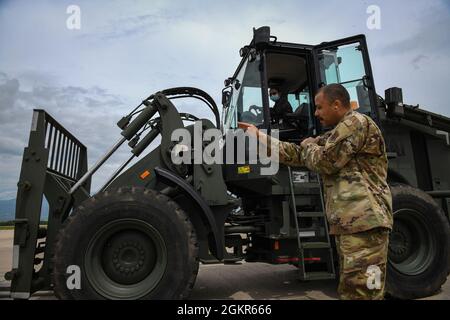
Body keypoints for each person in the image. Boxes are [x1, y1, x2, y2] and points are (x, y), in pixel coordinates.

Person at [239, 83, 393, 300]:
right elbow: (298, 154)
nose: (316, 113)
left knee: (364, 291)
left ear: (337, 104)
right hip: (352, 224)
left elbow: (325, 161)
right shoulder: (336, 133)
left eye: (320, 107)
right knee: (353, 289)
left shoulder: (355, 124)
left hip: (365, 224)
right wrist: (260, 138)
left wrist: (310, 145)